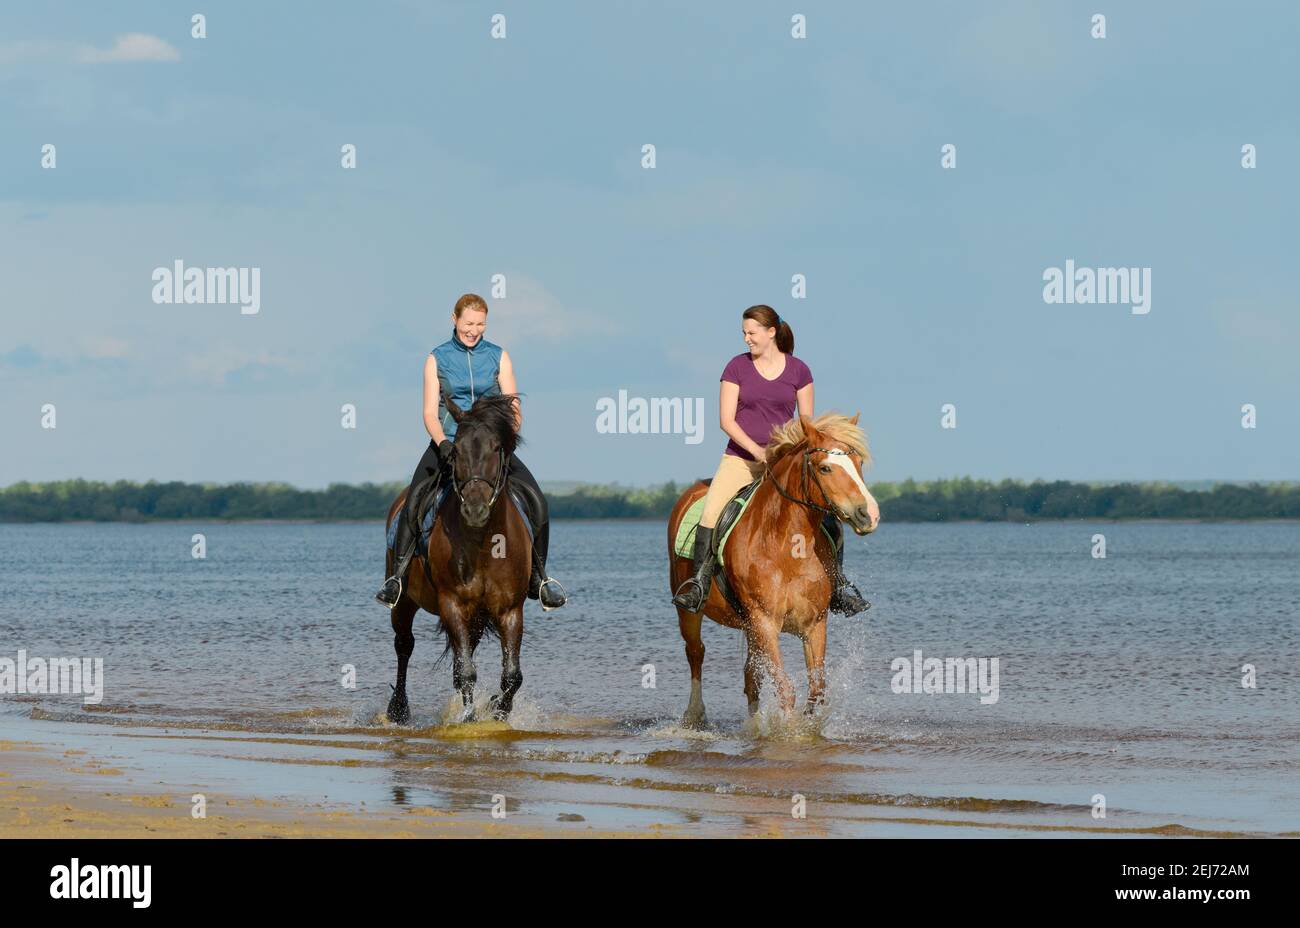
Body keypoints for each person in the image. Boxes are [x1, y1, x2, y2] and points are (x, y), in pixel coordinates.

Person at [671, 304, 868, 616]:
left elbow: (806, 425)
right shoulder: (736, 367)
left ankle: (838, 585)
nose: (747, 339)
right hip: (740, 459)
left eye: (752, 332)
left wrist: (784, 454)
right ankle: (699, 582)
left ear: (771, 332)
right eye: (744, 333)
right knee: (710, 513)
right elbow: (726, 420)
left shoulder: (799, 371)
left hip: (782, 462)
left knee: (828, 514)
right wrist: (756, 451)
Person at [376, 293, 567, 610]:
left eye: (480, 324)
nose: (474, 330)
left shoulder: (498, 356)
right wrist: (444, 443)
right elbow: (428, 413)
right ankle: (397, 578)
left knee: (538, 502)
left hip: (491, 448)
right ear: (454, 319)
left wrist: (506, 436)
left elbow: (513, 404)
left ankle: (540, 578)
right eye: (468, 323)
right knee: (413, 503)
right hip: (449, 443)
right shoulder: (436, 358)